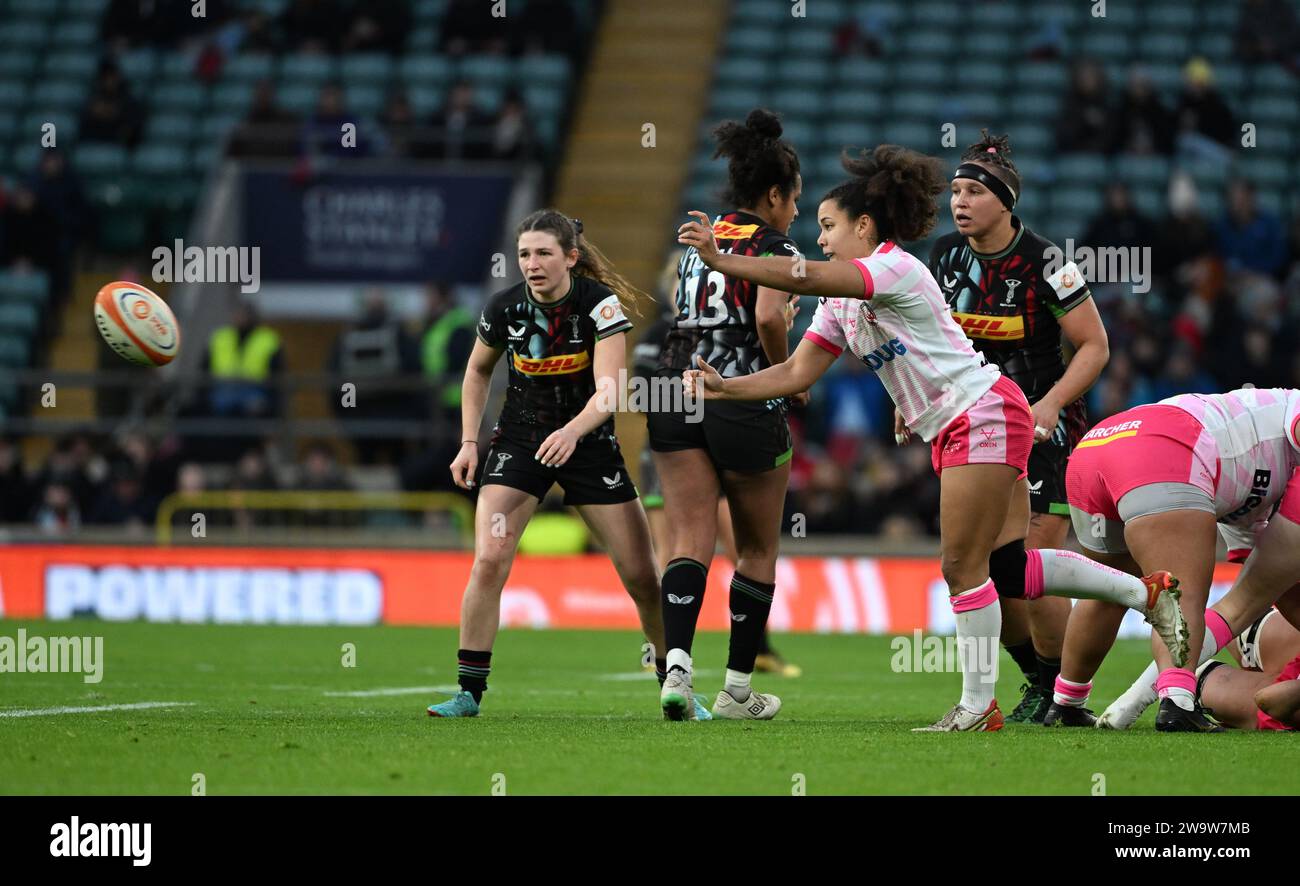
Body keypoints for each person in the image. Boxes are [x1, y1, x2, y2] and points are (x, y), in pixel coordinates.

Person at [678, 143, 1188, 732]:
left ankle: (978, 707)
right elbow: (795, 373)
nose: (818, 240)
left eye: (827, 226)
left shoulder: (894, 266)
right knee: (1008, 572)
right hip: (968, 418)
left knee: (958, 565)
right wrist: (725, 388)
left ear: (864, 226)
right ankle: (1148, 597)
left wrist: (724, 262)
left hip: (983, 414)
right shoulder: (841, 306)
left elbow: (805, 273)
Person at [426, 211, 706, 719]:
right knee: (489, 559)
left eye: (543, 254)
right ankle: (467, 692)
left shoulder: (599, 307)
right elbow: (475, 372)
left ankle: (677, 688)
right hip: (519, 443)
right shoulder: (503, 309)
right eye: (524, 255)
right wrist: (469, 442)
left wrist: (573, 431)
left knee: (643, 576)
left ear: (571, 257)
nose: (532, 264)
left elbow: (610, 390)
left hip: (589, 445)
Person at [930, 130, 1111, 723]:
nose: (958, 202)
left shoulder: (1047, 263)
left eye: (972, 192)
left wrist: (1053, 404)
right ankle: (1039, 682)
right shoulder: (944, 260)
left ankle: (1063, 693)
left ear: (1004, 202)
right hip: (973, 423)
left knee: (1028, 560)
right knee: (985, 565)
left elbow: (1093, 345)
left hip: (1040, 427)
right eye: (953, 192)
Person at [647, 109, 805, 721]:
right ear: (773, 195)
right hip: (737, 393)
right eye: (793, 201)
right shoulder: (774, 246)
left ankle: (677, 669)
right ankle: (738, 690)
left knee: (688, 538)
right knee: (758, 547)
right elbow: (768, 317)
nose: (794, 212)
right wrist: (787, 378)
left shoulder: (698, 240)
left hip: (673, 391)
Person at [1049, 387, 1300, 731]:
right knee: (1182, 595)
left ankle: (1066, 703)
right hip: (1168, 444)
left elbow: (1273, 584)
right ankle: (1178, 702)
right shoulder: (1288, 413)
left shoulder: (1257, 504)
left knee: (1108, 591)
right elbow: (1257, 590)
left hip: (1101, 444)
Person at [634, 251, 803, 678]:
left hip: (677, 435)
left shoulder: (685, 335)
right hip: (708, 431)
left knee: (695, 546)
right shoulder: (663, 334)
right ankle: (731, 677)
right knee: (745, 550)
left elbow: (647, 396)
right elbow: (639, 394)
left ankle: (676, 665)